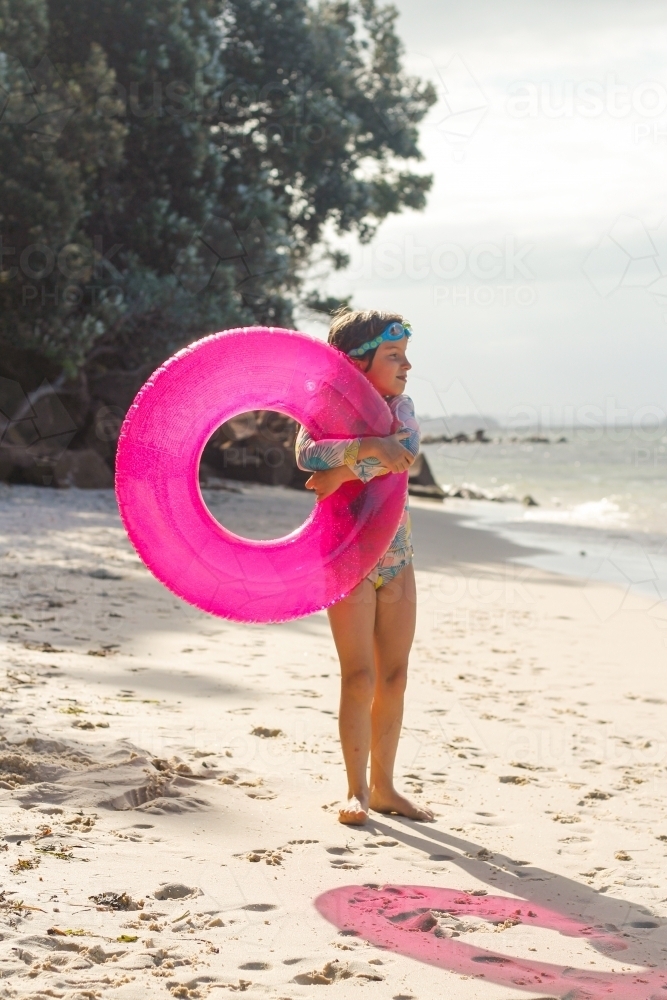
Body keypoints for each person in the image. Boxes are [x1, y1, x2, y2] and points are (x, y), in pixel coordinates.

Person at [295, 308, 434, 826]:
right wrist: (365, 446)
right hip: (346, 556)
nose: (407, 365)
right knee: (358, 676)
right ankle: (355, 790)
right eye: (395, 356)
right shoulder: (324, 407)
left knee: (394, 676)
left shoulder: (403, 406)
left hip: (396, 555)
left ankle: (386, 786)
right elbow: (309, 455)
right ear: (358, 362)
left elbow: (407, 453)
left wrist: (348, 467)